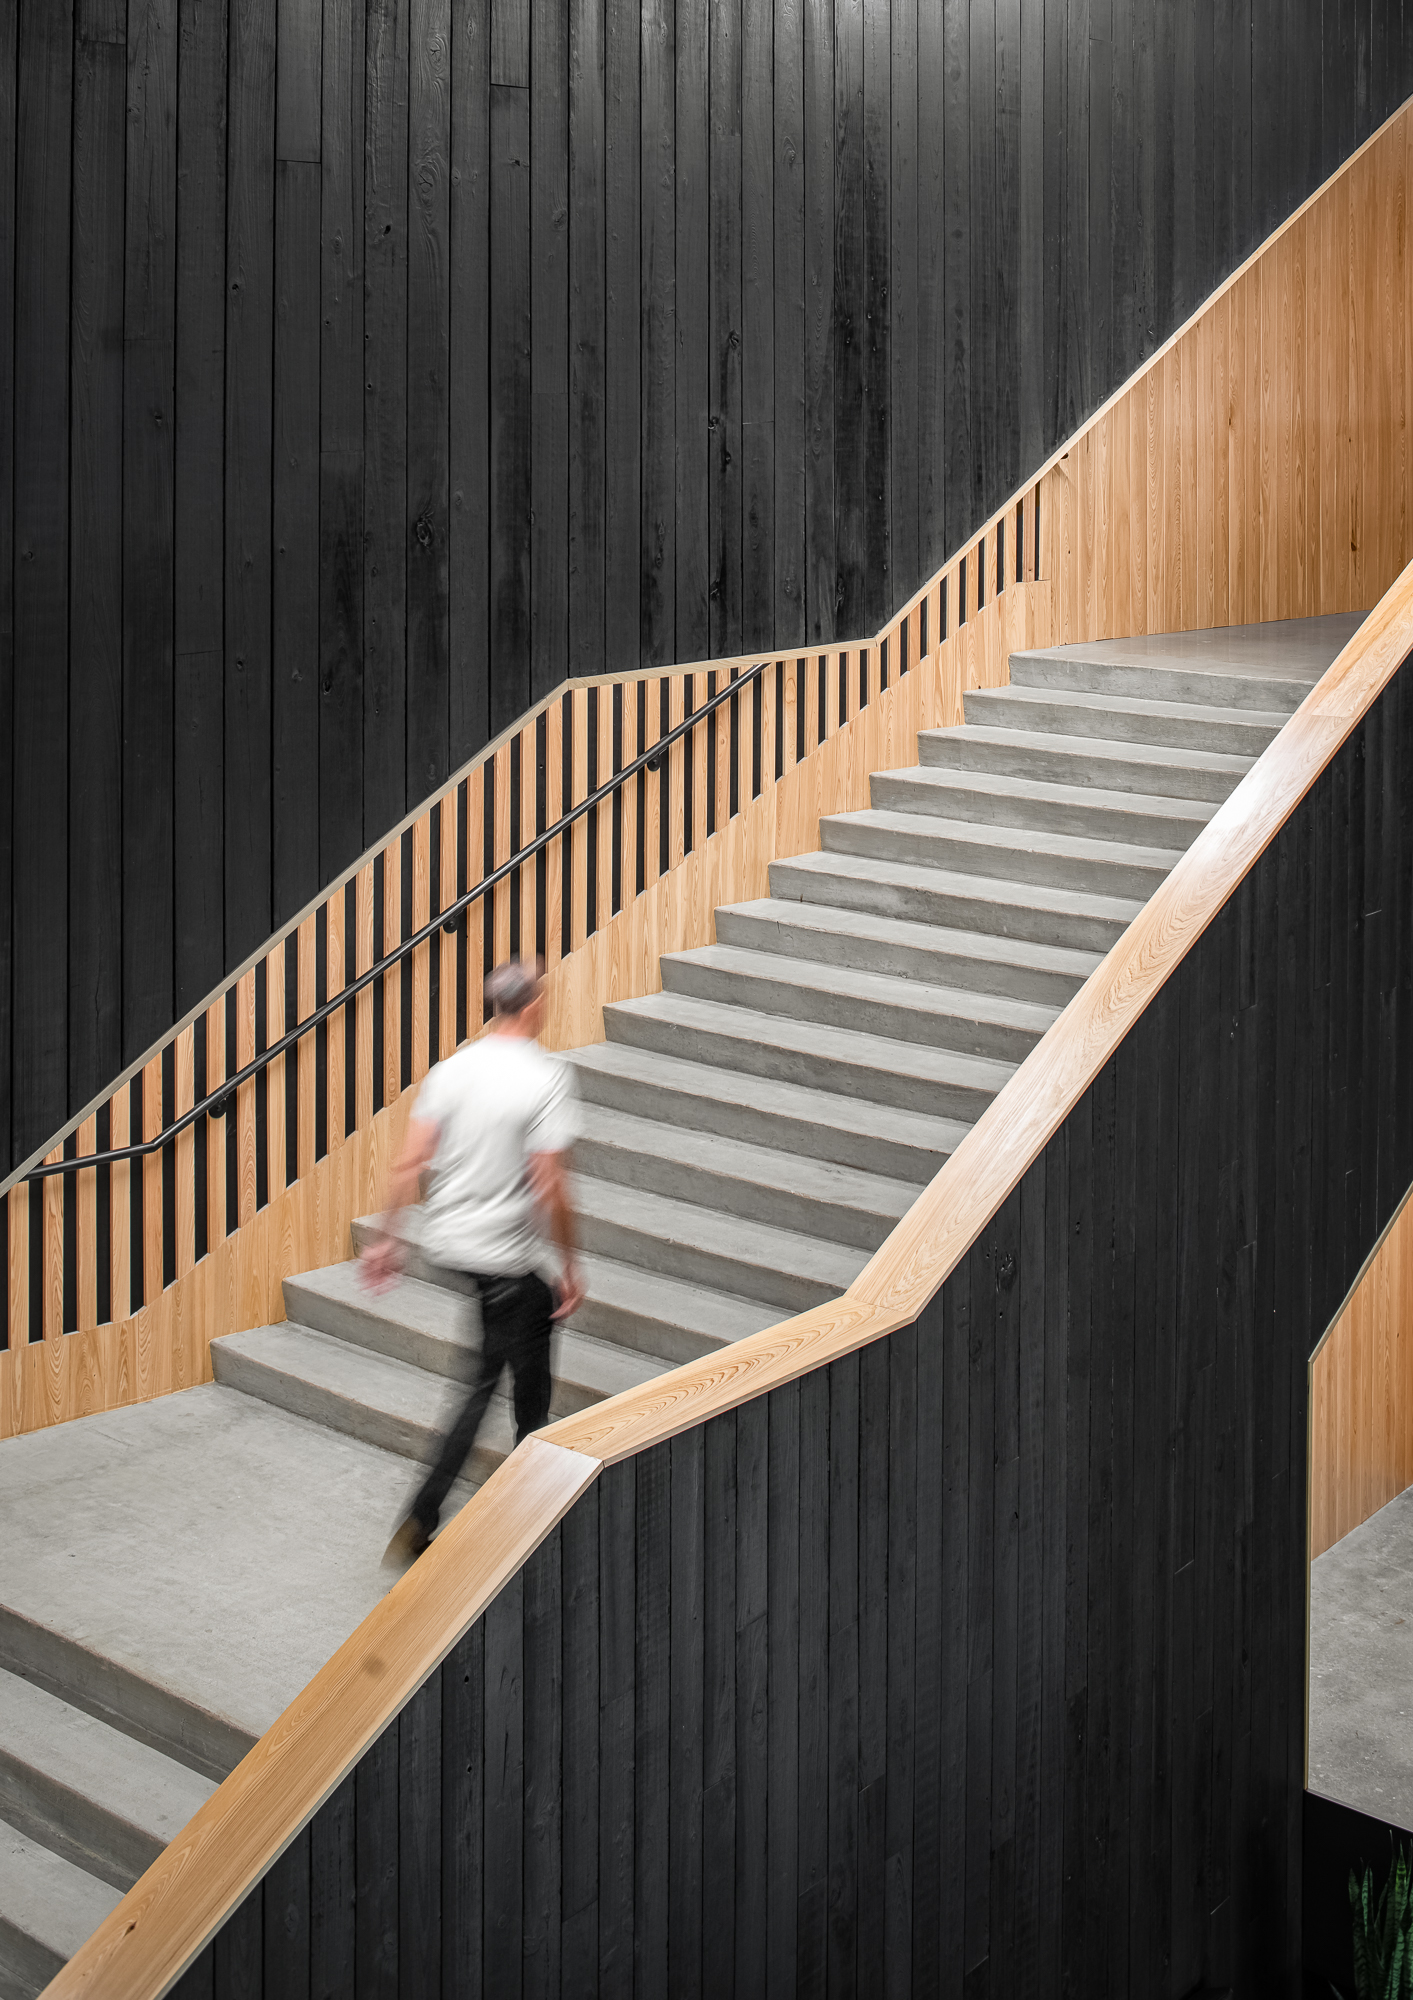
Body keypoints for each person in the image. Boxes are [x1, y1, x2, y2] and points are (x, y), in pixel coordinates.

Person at [363, 959, 583, 1565]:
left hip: (452, 1244)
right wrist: (570, 1263)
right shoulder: (546, 1076)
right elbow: (552, 1186)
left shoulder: (451, 1071)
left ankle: (504, 1489)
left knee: (499, 1357)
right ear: (533, 1005)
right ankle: (494, 1503)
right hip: (504, 1258)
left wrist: (388, 1240)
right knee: (507, 1377)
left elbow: (409, 1164)